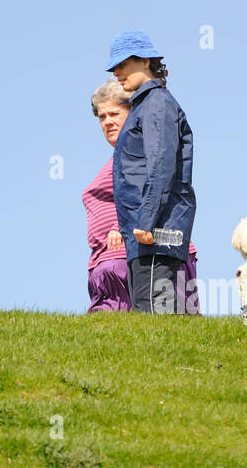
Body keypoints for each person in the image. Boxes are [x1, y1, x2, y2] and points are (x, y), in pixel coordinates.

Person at [84, 79, 198, 312]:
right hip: (118, 260)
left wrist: (120, 225)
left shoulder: (141, 154)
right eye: (101, 117)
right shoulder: (119, 160)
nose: (107, 122)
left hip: (146, 252)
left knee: (160, 323)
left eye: (114, 113)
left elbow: (156, 184)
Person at [105, 30, 197, 314]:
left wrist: (146, 222)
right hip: (146, 233)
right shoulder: (143, 105)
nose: (117, 72)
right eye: (114, 67)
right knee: (150, 313)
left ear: (145, 60)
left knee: (153, 314)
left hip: (156, 231)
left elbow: (161, 167)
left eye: (123, 64)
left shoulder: (156, 103)